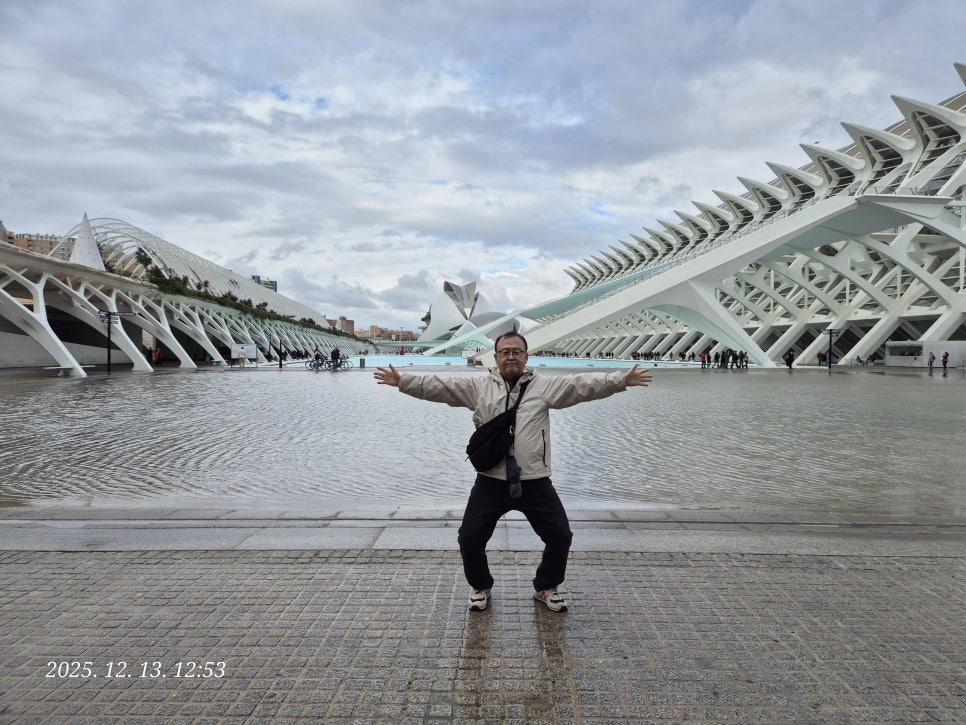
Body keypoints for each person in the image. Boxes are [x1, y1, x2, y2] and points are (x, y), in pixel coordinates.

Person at [374, 331, 652, 613]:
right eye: (505, 351)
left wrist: (620, 381)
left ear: (526, 357)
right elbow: (441, 386)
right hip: (491, 480)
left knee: (560, 536)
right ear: (495, 358)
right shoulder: (479, 387)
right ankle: (481, 586)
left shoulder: (543, 387)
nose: (511, 356)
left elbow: (579, 386)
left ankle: (546, 586)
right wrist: (403, 381)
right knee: (469, 538)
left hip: (534, 480)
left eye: (516, 352)